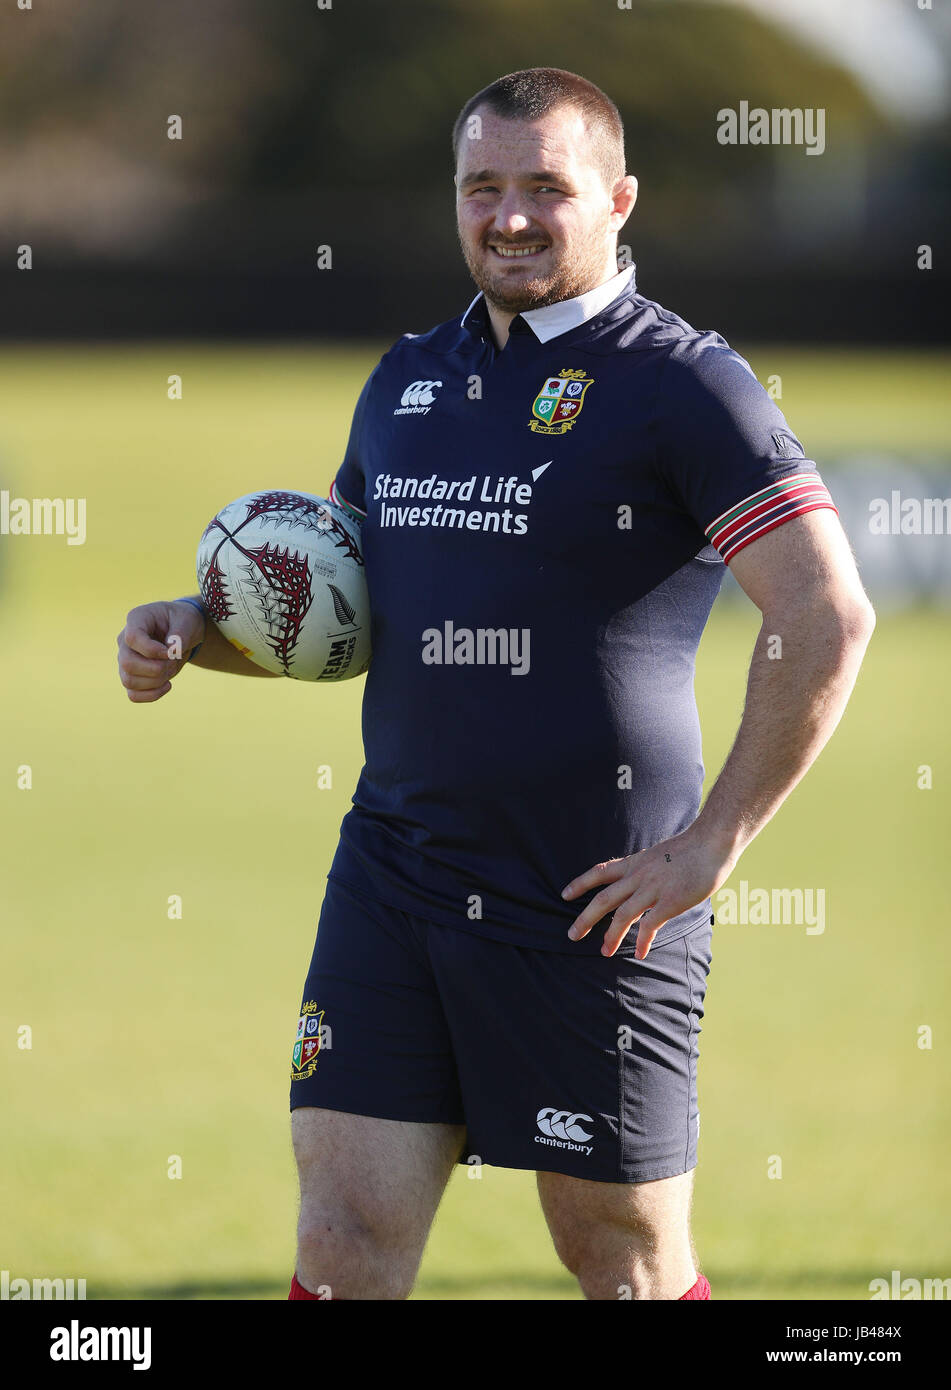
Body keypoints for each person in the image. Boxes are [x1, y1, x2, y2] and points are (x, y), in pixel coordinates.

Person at [117, 67, 875, 1301]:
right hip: (397, 875)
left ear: (619, 199)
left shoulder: (682, 384)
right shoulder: (406, 380)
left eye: (545, 188)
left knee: (618, 1259)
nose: (509, 217)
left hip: (596, 897)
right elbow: (340, 617)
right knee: (342, 1240)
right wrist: (193, 629)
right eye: (483, 187)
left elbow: (827, 612)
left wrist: (711, 848)